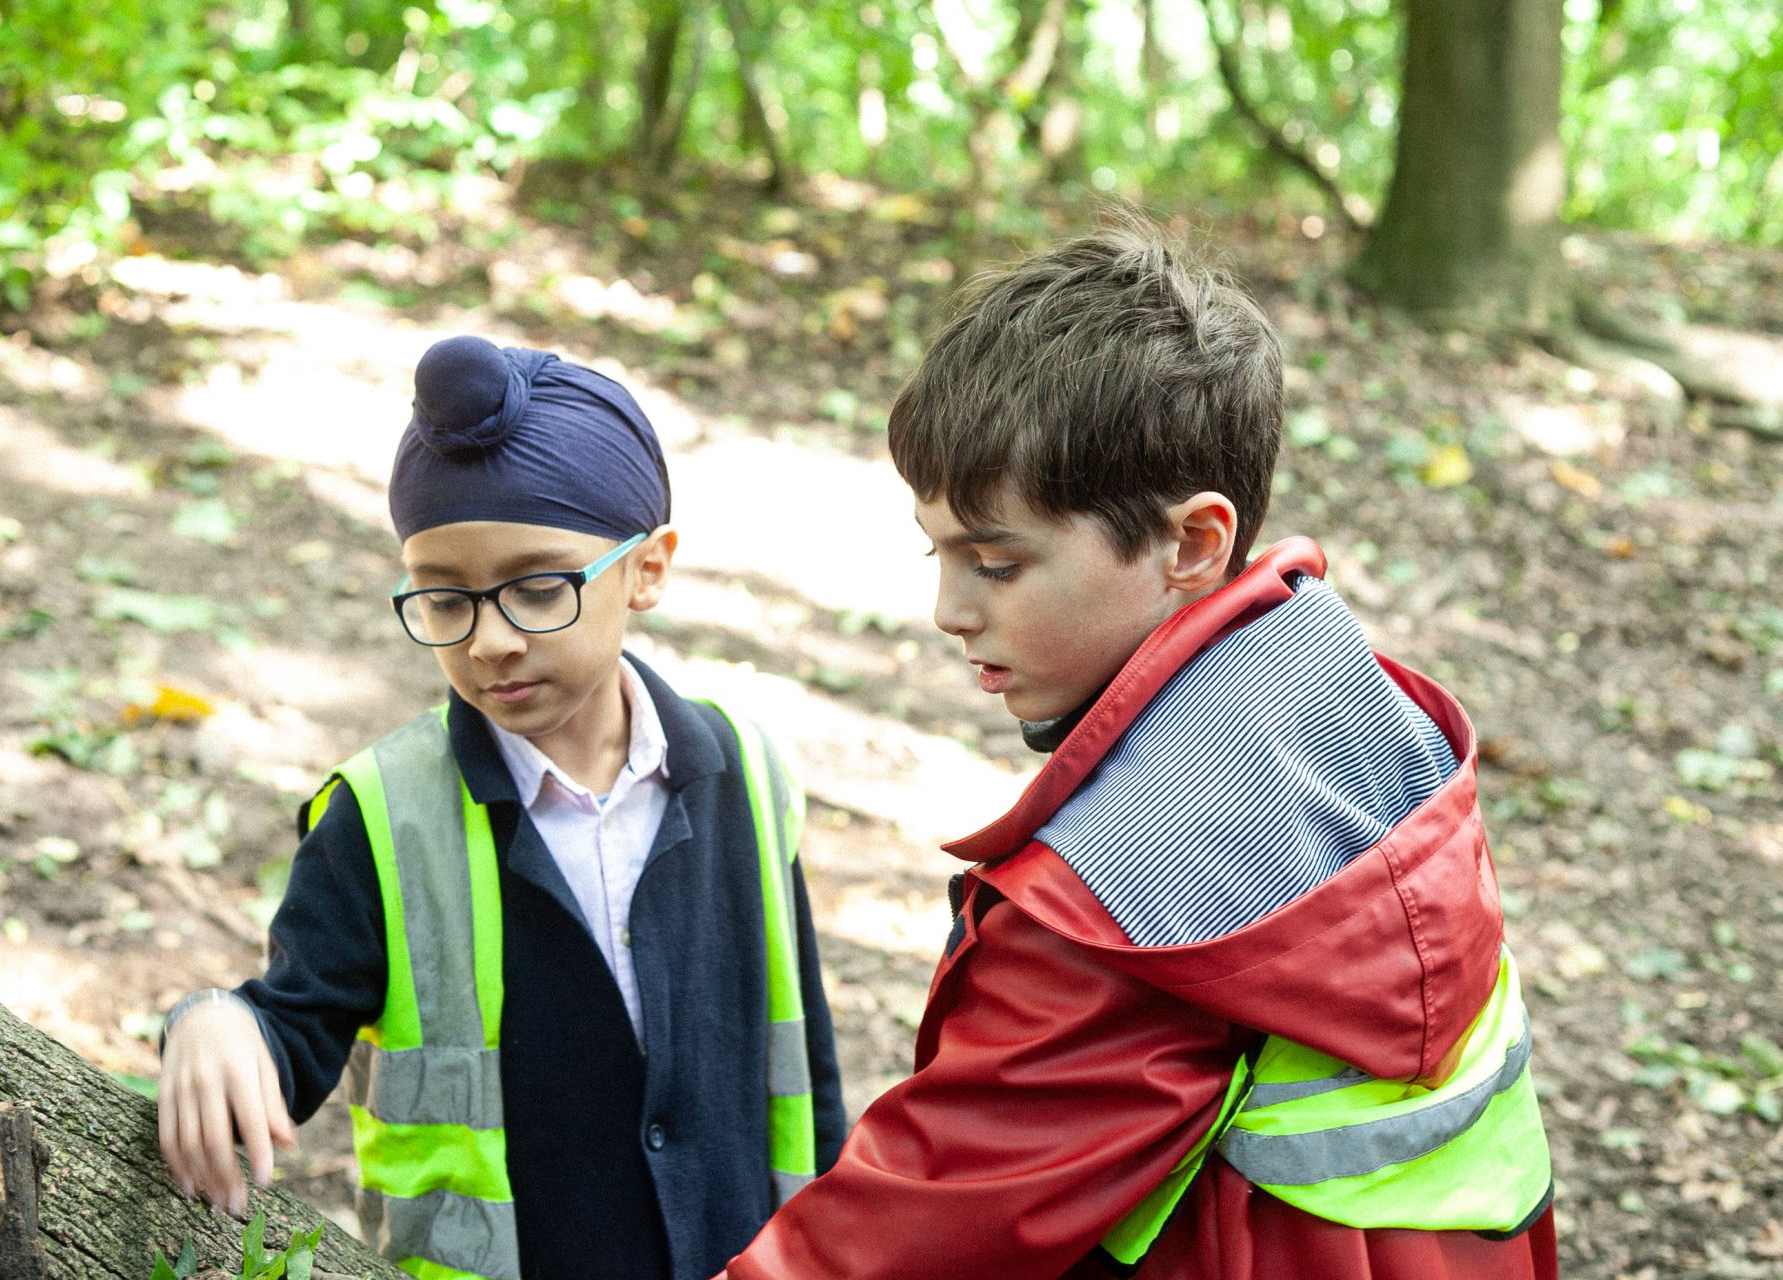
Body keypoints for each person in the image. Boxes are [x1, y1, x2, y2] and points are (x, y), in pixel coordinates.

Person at [717, 220, 1557, 1280]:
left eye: (996, 562)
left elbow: (926, 1220)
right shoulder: (1338, 694)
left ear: (1193, 543)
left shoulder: (1120, 904)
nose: (946, 609)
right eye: (938, 552)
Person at [157, 336, 846, 1280]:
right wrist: (213, 1021)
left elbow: (807, 1073)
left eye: (535, 589)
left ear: (646, 570)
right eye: (445, 600)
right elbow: (291, 1028)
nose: (490, 642)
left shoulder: (748, 771)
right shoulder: (379, 817)